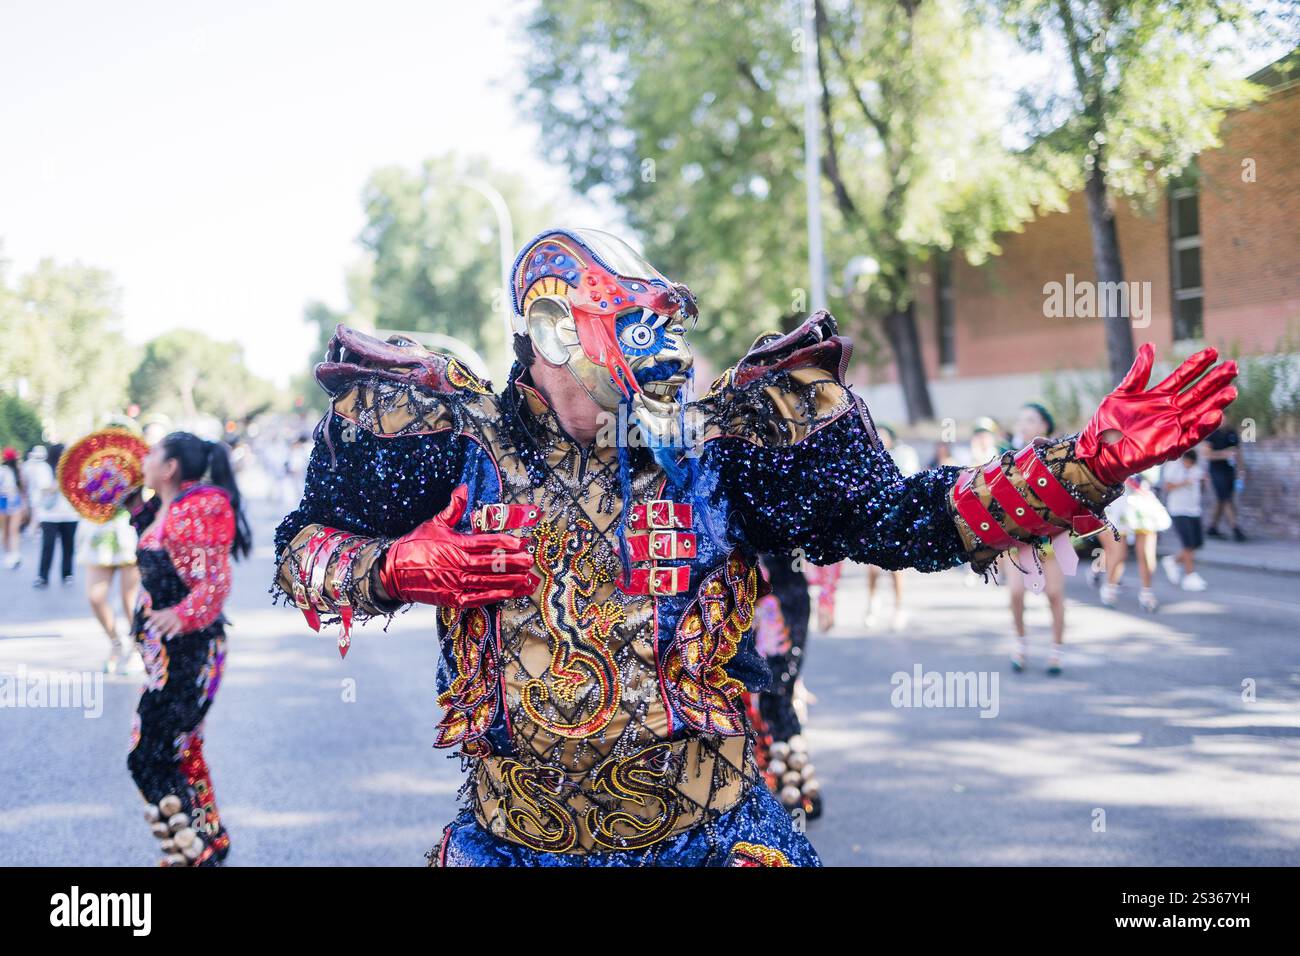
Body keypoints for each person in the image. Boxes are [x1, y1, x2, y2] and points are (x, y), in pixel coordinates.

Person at [272, 226, 1236, 867]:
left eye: (666, 319)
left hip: (710, 836)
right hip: (510, 843)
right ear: (554, 325)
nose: (666, 347)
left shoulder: (730, 440)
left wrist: (1087, 464)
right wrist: (394, 566)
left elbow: (903, 519)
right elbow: (297, 550)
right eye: (635, 318)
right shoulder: (442, 441)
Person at [125, 432, 251, 866]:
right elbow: (165, 559)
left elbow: (214, 581)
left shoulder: (199, 508)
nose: (145, 458)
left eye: (153, 452)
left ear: (171, 466)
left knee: (148, 757)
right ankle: (209, 841)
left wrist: (181, 615)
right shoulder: (167, 508)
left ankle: (192, 852)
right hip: (170, 657)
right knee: (181, 749)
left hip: (190, 654)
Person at [750, 554, 823, 820]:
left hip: (784, 603)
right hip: (748, 599)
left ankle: (795, 789)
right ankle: (778, 784)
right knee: (757, 694)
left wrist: (827, 598)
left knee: (778, 693)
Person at [1004, 404, 1068, 674]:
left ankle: (1056, 651)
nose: (1024, 424)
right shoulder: (1007, 453)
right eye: (1021, 419)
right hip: (1017, 535)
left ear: (1044, 426)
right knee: (1017, 592)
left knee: (1053, 594)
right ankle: (1020, 642)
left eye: (1030, 420)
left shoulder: (1059, 455)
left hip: (1051, 535)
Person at [864, 424, 920, 631]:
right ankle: (872, 603)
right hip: (874, 519)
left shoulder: (902, 455)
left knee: (896, 568)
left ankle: (898, 608)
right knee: (872, 567)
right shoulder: (868, 457)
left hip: (896, 518)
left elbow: (908, 480)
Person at [79, 505, 142, 674]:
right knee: (95, 597)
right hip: (99, 525)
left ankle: (138, 647)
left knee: (129, 600)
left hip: (128, 524)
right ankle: (116, 643)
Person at [1098, 467, 1170, 612]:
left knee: (1146, 552)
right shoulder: (1115, 445)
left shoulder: (1150, 447)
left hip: (1143, 501)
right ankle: (1110, 587)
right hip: (1119, 501)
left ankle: (1147, 592)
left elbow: (1154, 476)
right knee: (1118, 553)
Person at [29, 443, 80, 588]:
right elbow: (45, 488)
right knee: (48, 546)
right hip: (49, 515)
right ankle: (43, 576)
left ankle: (67, 574)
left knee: (68, 546)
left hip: (70, 515)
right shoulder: (44, 468)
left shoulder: (73, 468)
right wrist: (62, 480)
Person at [1160, 448, 1209, 592]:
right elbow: (1167, 486)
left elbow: (1201, 488)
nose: (1189, 465)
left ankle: (1173, 561)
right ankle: (1189, 576)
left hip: (1194, 510)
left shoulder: (1197, 468)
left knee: (1197, 543)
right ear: (1183, 459)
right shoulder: (1173, 466)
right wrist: (1185, 482)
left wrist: (1203, 482)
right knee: (1188, 544)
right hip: (1178, 510)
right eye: (1187, 463)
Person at [1204, 418, 1246, 541]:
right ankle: (1236, 529)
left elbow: (1238, 453)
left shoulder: (1232, 433)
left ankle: (1212, 527)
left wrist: (1241, 471)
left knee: (1221, 499)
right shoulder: (1211, 434)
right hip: (1216, 471)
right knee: (1226, 498)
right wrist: (1223, 454)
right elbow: (1206, 454)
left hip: (1230, 471)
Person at [0, 447, 25, 569]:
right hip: (10, 500)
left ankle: (12, 554)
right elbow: (22, 489)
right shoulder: (15, 470)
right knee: (12, 530)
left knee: (8, 530)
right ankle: (12, 554)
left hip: (7, 501)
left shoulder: (15, 470)